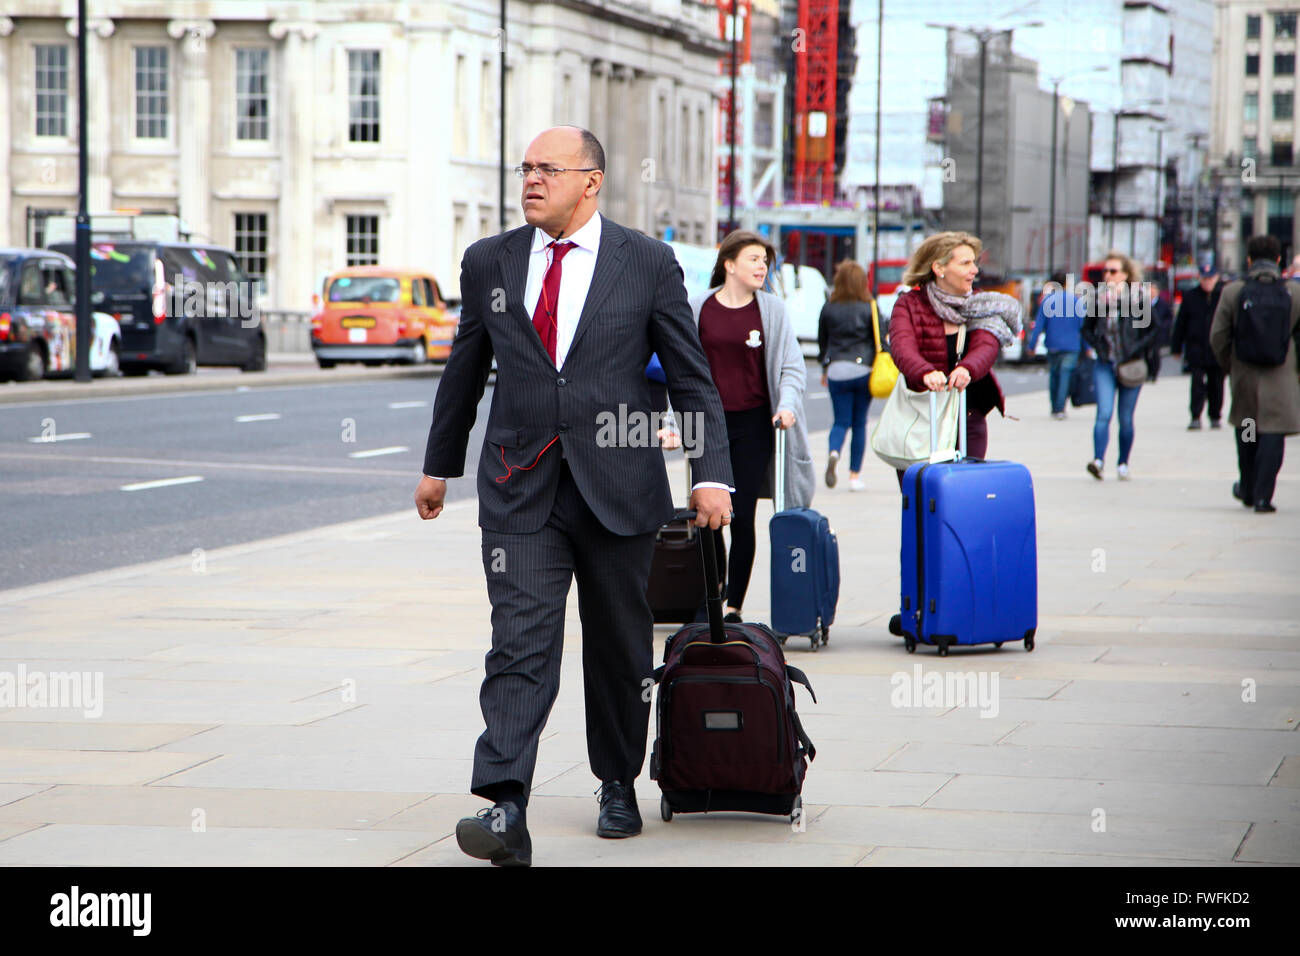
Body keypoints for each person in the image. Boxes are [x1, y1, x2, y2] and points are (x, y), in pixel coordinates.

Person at [413, 126, 733, 866]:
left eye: (547, 169)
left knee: (619, 647)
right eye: (525, 167)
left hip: (619, 487)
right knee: (519, 642)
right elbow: (466, 366)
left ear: (590, 181)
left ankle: (617, 779)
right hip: (518, 486)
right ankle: (505, 804)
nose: (530, 179)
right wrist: (440, 463)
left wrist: (709, 470)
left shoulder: (646, 262)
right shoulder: (489, 260)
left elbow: (689, 375)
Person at [677, 229, 813, 623]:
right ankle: (712, 593)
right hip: (707, 425)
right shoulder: (698, 307)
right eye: (754, 258)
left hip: (755, 425)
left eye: (765, 260)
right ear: (729, 263)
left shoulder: (771, 309)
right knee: (706, 513)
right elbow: (681, 370)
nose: (762, 266)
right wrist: (673, 420)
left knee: (741, 515)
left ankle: (733, 605)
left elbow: (791, 367)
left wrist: (786, 407)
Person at [886, 231, 1020, 489]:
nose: (974, 270)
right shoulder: (909, 305)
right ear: (939, 268)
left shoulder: (983, 304)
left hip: (967, 417)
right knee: (919, 500)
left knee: (963, 497)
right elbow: (902, 346)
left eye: (974, 262)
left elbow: (987, 344)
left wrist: (967, 369)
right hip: (921, 419)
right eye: (965, 263)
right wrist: (925, 372)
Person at [1210, 234, 1300, 513]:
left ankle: (1247, 485)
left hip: (1245, 374)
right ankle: (1263, 495)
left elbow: (1217, 336)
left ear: (1248, 260)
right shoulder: (1294, 293)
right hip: (1281, 375)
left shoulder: (1233, 291)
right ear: (1278, 260)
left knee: (1248, 430)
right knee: (1273, 434)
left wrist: (1230, 365)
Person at [1080, 250, 1159, 480]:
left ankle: (1123, 463)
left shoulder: (1139, 299)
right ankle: (1098, 460)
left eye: (1113, 271)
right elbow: (1086, 328)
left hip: (1131, 364)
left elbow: (1154, 330)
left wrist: (1136, 349)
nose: (1107, 275)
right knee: (1103, 413)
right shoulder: (1097, 299)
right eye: (1105, 271)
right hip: (1105, 363)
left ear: (1125, 275)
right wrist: (1098, 346)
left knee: (1125, 418)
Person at [817, 259, 877, 490]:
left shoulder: (829, 307)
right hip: (863, 370)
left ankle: (834, 453)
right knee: (859, 424)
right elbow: (878, 339)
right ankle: (854, 477)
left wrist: (825, 368)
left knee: (840, 421)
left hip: (837, 370)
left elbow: (823, 342)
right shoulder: (868, 306)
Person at [1170, 262, 1226, 430]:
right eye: (1204, 278)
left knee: (1217, 384)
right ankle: (1195, 415)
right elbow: (1180, 324)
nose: (1207, 282)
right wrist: (1176, 347)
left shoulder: (1223, 296)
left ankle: (1215, 415)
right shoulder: (1190, 297)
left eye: (1210, 278)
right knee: (1197, 384)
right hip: (1197, 348)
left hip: (1217, 349)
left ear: (1216, 278)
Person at [1028, 271, 1088, 419]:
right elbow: (1084, 327)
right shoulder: (1076, 301)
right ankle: (1060, 408)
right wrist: (1087, 347)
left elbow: (1038, 326)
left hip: (1053, 344)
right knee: (1065, 376)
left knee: (1054, 375)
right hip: (1071, 345)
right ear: (1066, 284)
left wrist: (1031, 346)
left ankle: (1054, 406)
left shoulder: (1047, 301)